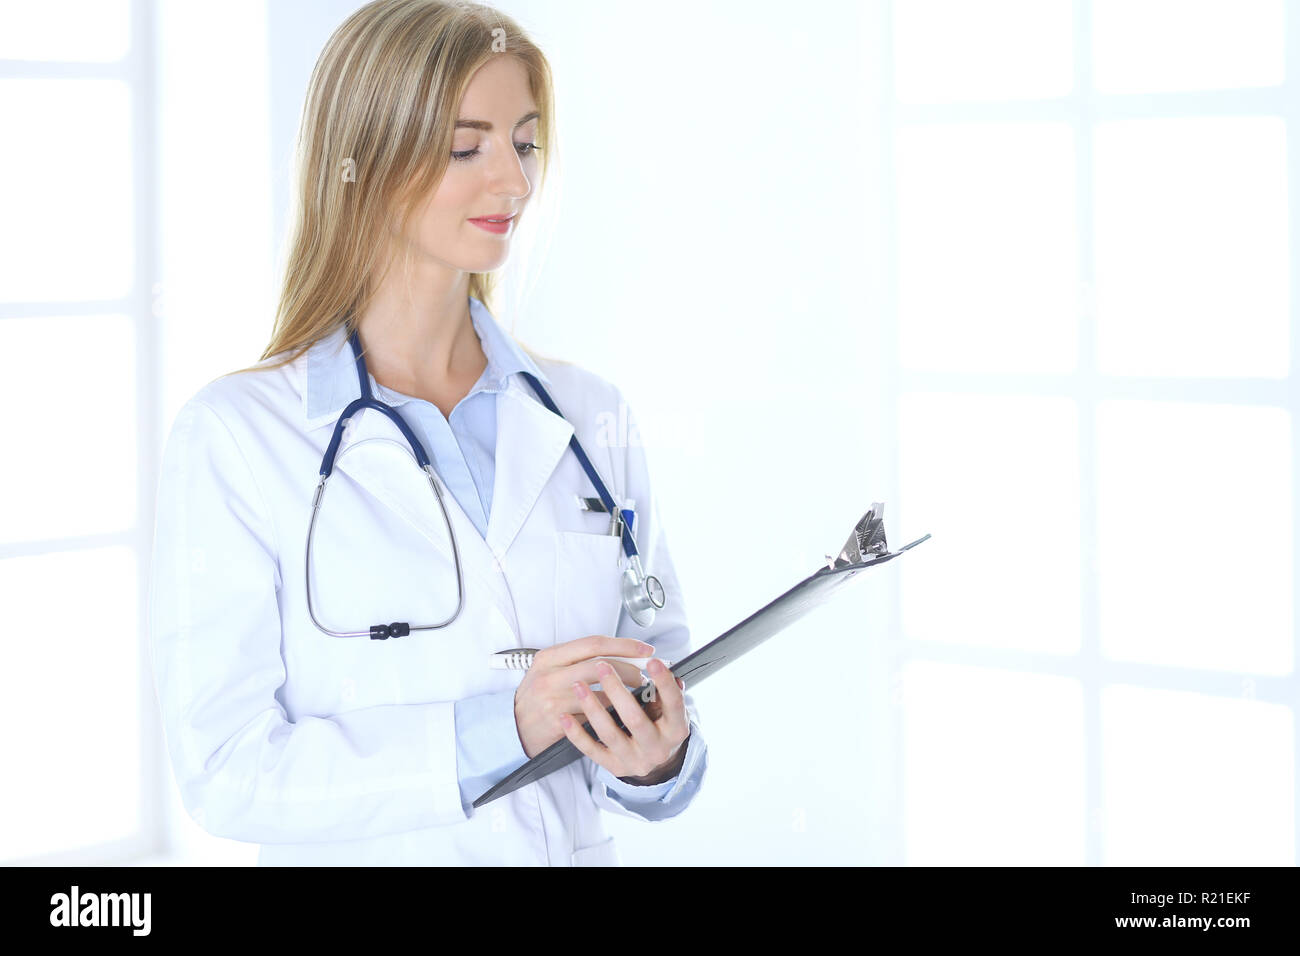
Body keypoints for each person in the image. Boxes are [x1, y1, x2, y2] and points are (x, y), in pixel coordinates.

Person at [148, 0, 707, 866]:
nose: (514, 182)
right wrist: (501, 729)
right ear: (364, 161)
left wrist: (656, 760)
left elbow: (662, 659)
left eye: (523, 143)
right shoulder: (237, 438)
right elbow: (226, 771)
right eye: (465, 147)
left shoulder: (588, 414)